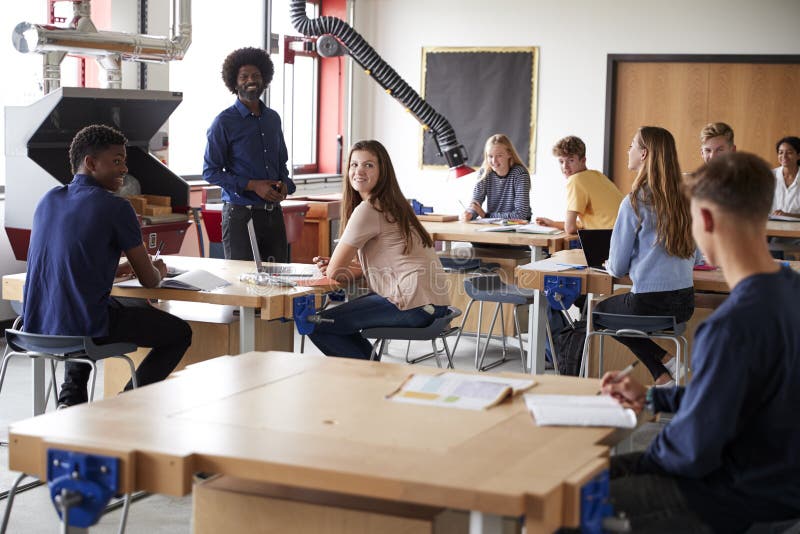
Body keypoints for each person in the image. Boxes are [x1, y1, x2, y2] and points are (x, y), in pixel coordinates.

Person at [603, 152, 800, 533]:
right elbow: (730, 399)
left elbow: (691, 451)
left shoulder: (730, 327)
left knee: (569, 498)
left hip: (732, 498)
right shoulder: (791, 292)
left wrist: (641, 462)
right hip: (783, 490)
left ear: (706, 219)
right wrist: (654, 398)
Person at [23, 125, 192, 408]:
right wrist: (159, 270)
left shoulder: (48, 199)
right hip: (82, 326)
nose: (124, 168)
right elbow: (150, 281)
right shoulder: (117, 207)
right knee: (180, 333)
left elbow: (69, 262)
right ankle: (123, 405)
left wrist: (117, 269)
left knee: (92, 307)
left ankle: (70, 398)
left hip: (36, 324)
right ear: (90, 163)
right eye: (116, 161)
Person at [308, 140, 450, 360]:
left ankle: (374, 375)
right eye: (354, 164)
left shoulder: (368, 209)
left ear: (383, 171)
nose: (359, 171)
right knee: (337, 324)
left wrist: (338, 267)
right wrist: (344, 267)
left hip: (411, 305)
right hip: (434, 305)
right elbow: (389, 267)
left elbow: (335, 272)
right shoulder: (396, 204)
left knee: (317, 324)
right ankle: (373, 371)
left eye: (368, 165)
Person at [599, 126, 695, 387]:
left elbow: (617, 267)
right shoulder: (685, 200)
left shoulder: (634, 201)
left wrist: (611, 265)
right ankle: (662, 376)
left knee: (598, 312)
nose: (628, 150)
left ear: (644, 154)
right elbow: (695, 256)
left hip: (649, 304)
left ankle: (666, 359)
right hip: (685, 304)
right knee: (620, 313)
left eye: (632, 145)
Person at [203, 46, 295, 262]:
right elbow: (210, 172)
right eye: (244, 76)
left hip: (273, 215)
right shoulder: (223, 122)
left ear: (264, 80)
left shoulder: (273, 119)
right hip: (240, 216)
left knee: (278, 277)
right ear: (234, 83)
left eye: (256, 75)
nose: (251, 80)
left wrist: (284, 184)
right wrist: (254, 185)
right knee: (240, 279)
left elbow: (281, 164)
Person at [535, 135, 623, 234]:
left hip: (609, 237)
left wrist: (565, 226)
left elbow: (570, 228)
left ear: (583, 161)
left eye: (571, 160)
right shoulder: (597, 175)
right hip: (623, 234)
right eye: (561, 161)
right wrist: (553, 223)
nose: (565, 166)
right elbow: (585, 224)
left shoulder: (575, 180)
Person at [459, 134, 531, 222]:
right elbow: (475, 203)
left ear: (509, 154)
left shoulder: (520, 174)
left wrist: (486, 215)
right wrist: (470, 214)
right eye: (490, 156)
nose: (494, 161)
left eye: (499, 155)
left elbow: (521, 215)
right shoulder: (484, 172)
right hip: (493, 224)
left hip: (517, 225)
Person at [771, 135, 800, 218]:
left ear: (798, 155)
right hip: (771, 224)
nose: (784, 156)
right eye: (780, 152)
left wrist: (788, 215)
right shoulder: (769, 176)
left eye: (789, 153)